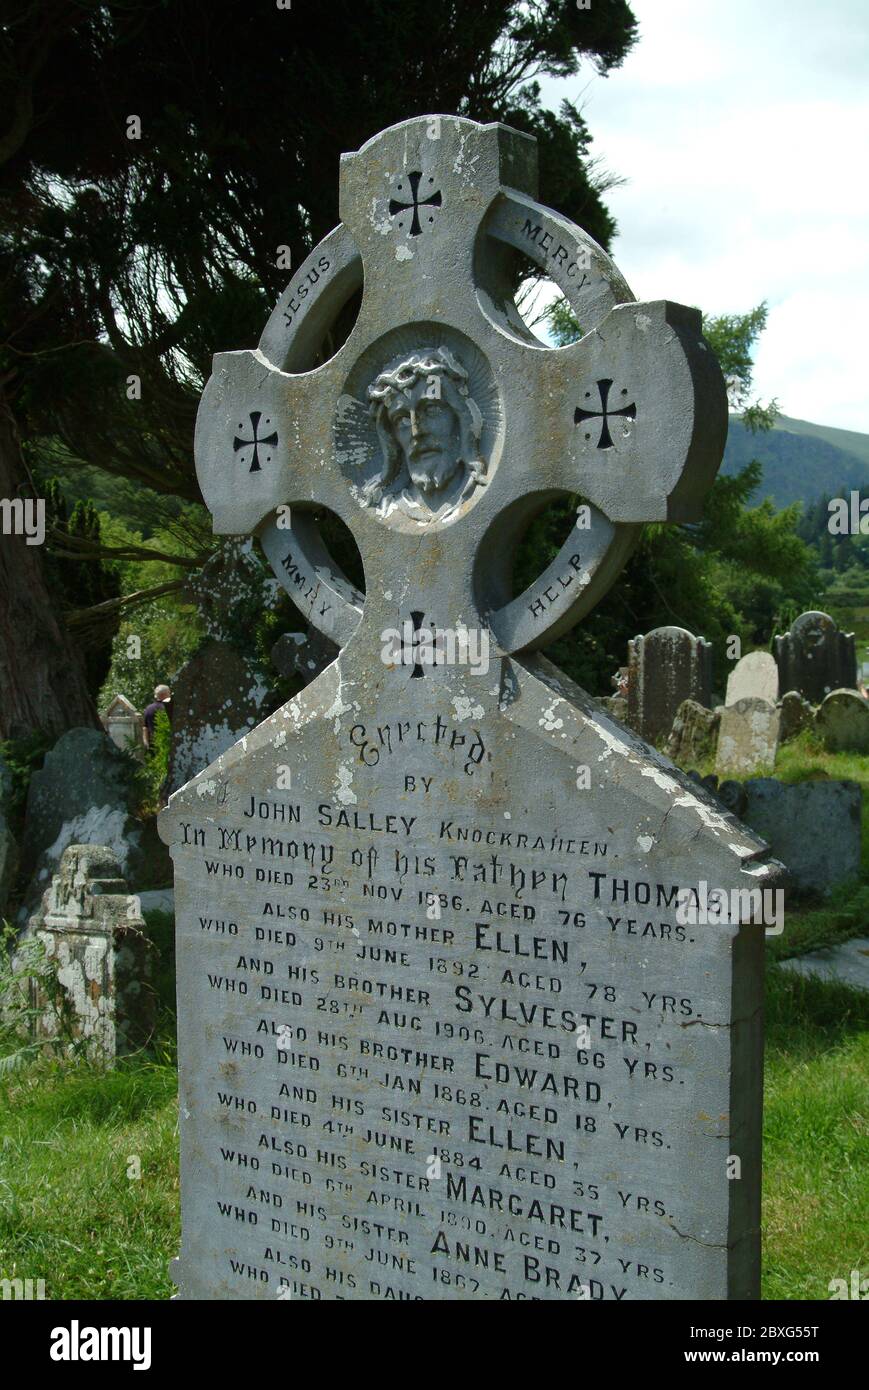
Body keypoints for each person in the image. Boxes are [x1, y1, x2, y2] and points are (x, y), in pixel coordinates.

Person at [364, 347, 487, 522]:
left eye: (432, 409)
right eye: (402, 419)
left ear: (460, 416)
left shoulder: (476, 494)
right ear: (392, 438)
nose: (417, 432)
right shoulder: (389, 511)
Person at [143, 684, 171, 750]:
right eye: (169, 693)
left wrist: (146, 744)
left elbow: (145, 728)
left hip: (154, 745)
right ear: (165, 694)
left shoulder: (148, 708)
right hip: (167, 744)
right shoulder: (169, 707)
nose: (170, 695)